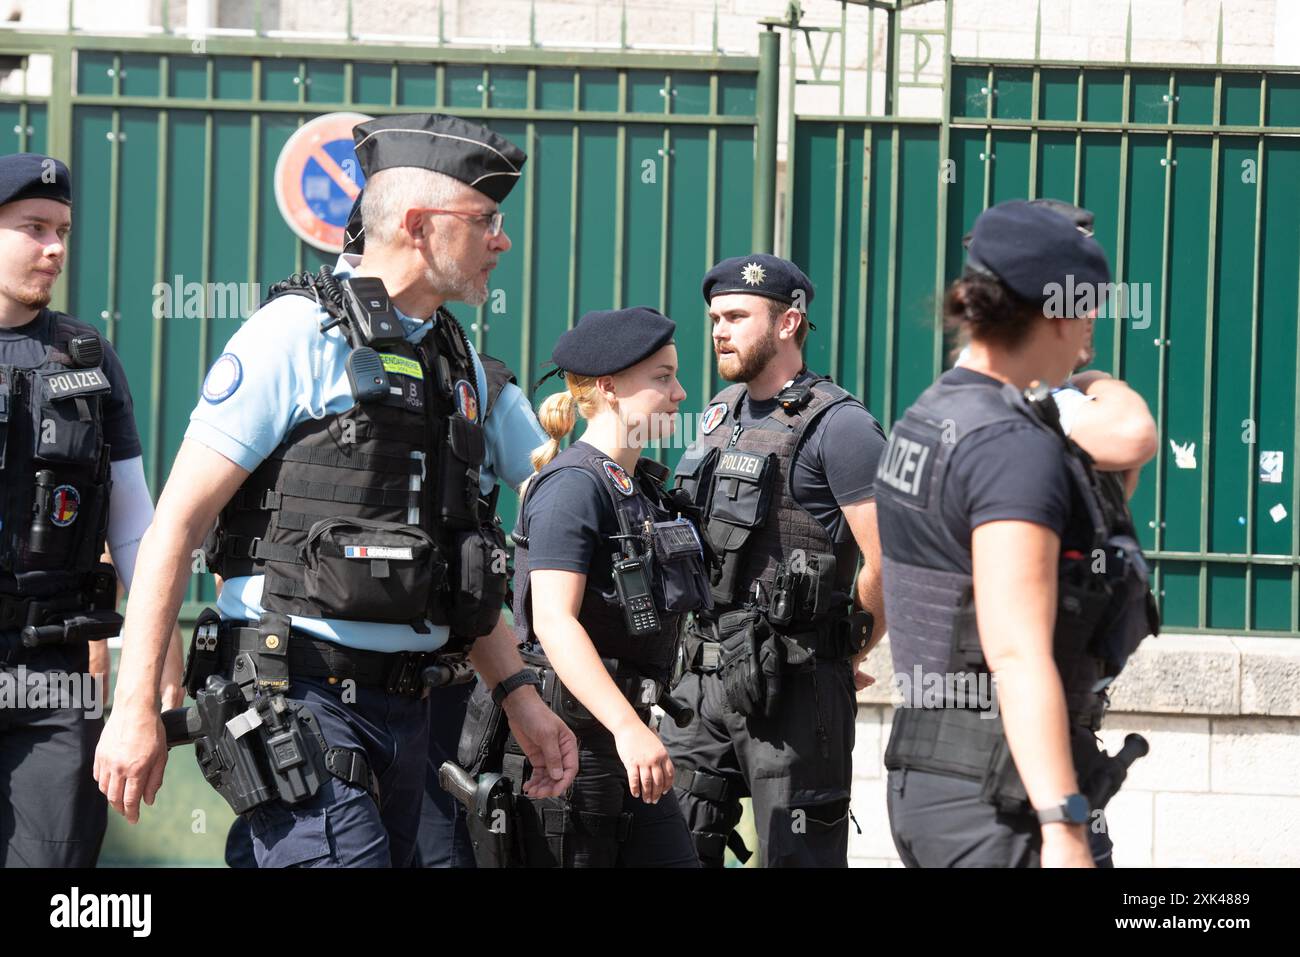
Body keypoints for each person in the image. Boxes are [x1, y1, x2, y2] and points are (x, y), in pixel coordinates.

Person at [92, 114, 577, 868]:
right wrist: (134, 709)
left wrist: (521, 697)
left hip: (410, 718)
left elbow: (457, 567)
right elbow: (174, 528)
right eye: (486, 220)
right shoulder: (291, 336)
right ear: (420, 224)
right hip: (295, 700)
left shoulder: (462, 368)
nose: (502, 240)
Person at [876, 199, 1159, 868]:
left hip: (930, 777)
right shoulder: (1013, 446)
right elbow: (1015, 650)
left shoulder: (934, 410)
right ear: (1058, 312)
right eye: (1088, 313)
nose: (1090, 336)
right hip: (1001, 795)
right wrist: (1064, 824)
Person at [662, 253, 888, 868]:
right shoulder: (719, 414)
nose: (718, 330)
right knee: (668, 844)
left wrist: (850, 649)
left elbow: (888, 559)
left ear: (788, 323)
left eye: (736, 316)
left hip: (793, 685)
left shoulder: (840, 427)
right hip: (703, 677)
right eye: (714, 318)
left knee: (798, 857)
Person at [477, 305, 710, 867]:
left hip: (623, 735)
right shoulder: (572, 486)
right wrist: (629, 730)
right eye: (662, 377)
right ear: (607, 388)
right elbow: (555, 621)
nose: (680, 393)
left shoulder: (637, 488)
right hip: (572, 745)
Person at [0, 152, 182, 866]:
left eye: (63, 231)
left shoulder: (88, 357)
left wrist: (155, 653)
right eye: (33, 228)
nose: (54, 248)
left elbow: (136, 525)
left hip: (56, 673)